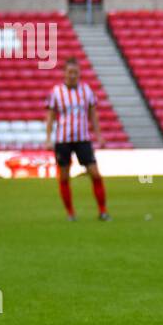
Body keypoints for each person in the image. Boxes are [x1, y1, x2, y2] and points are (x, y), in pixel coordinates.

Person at [45, 57, 109, 222]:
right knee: (64, 177)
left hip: (83, 139)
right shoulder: (56, 92)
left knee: (95, 174)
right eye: (69, 72)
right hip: (63, 140)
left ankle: (102, 211)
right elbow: (51, 116)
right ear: (64, 73)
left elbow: (92, 115)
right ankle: (70, 213)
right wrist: (48, 138)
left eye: (75, 72)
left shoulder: (86, 91)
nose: (72, 75)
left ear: (79, 73)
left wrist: (99, 135)